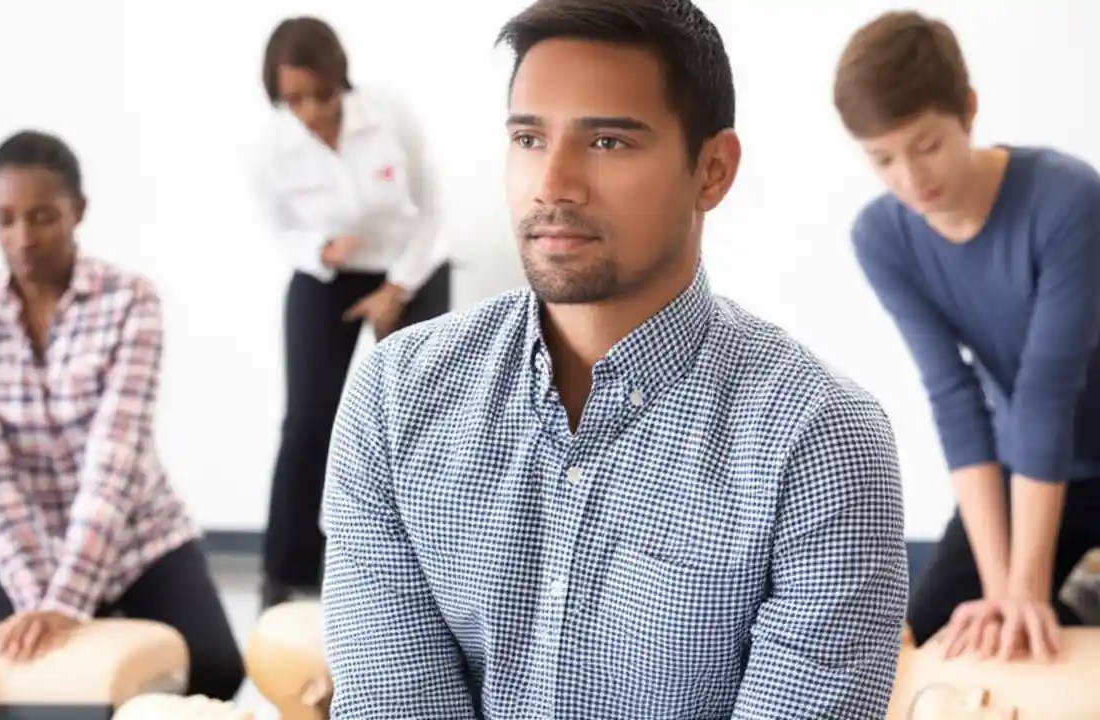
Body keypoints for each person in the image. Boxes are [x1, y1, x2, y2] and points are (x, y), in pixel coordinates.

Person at [320, 1, 909, 717]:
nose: (554, 184)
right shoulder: (394, 396)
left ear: (713, 170)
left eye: (608, 143)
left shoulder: (820, 443)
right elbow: (393, 702)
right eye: (530, 138)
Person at [0, 129, 245, 700]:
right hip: (29, 547)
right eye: (5, 219)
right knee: (5, 681)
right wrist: (39, 603)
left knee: (218, 670)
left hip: (138, 535)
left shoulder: (131, 301)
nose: (22, 237)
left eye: (43, 216)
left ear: (78, 211)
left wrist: (69, 604)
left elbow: (115, 459)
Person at [835, 10, 1100, 663]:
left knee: (1037, 625)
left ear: (969, 111)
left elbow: (1047, 392)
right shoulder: (882, 237)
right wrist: (1002, 589)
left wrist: (1024, 591)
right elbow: (953, 398)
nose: (908, 179)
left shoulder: (1069, 200)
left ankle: (1075, 589)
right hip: (1025, 464)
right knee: (940, 635)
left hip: (1071, 435)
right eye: (882, 158)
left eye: (926, 145)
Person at [250, 16, 451, 608]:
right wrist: (316, 250)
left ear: (340, 80)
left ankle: (432, 566)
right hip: (328, 274)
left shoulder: (389, 115)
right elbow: (279, 228)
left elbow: (432, 206)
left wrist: (398, 287)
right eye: (294, 99)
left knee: (426, 424)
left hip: (409, 265)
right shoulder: (270, 146)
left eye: (319, 94)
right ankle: (287, 573)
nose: (310, 110)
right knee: (308, 420)